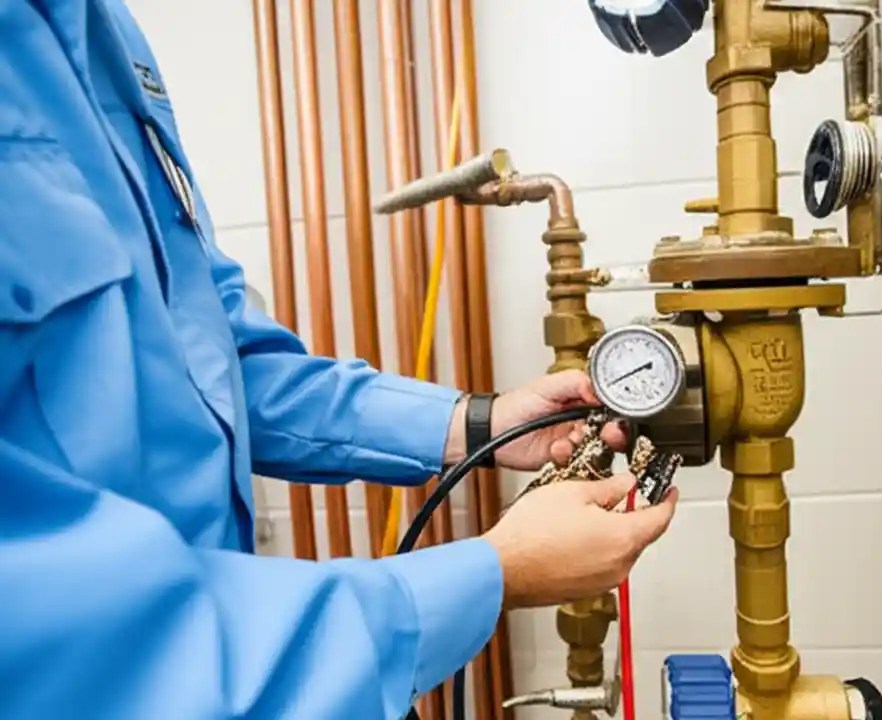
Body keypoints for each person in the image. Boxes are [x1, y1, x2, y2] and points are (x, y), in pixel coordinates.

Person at [0, 2, 678, 718]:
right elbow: (70, 636)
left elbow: (219, 357)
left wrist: (476, 424)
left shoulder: (103, 31)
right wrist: (491, 572)